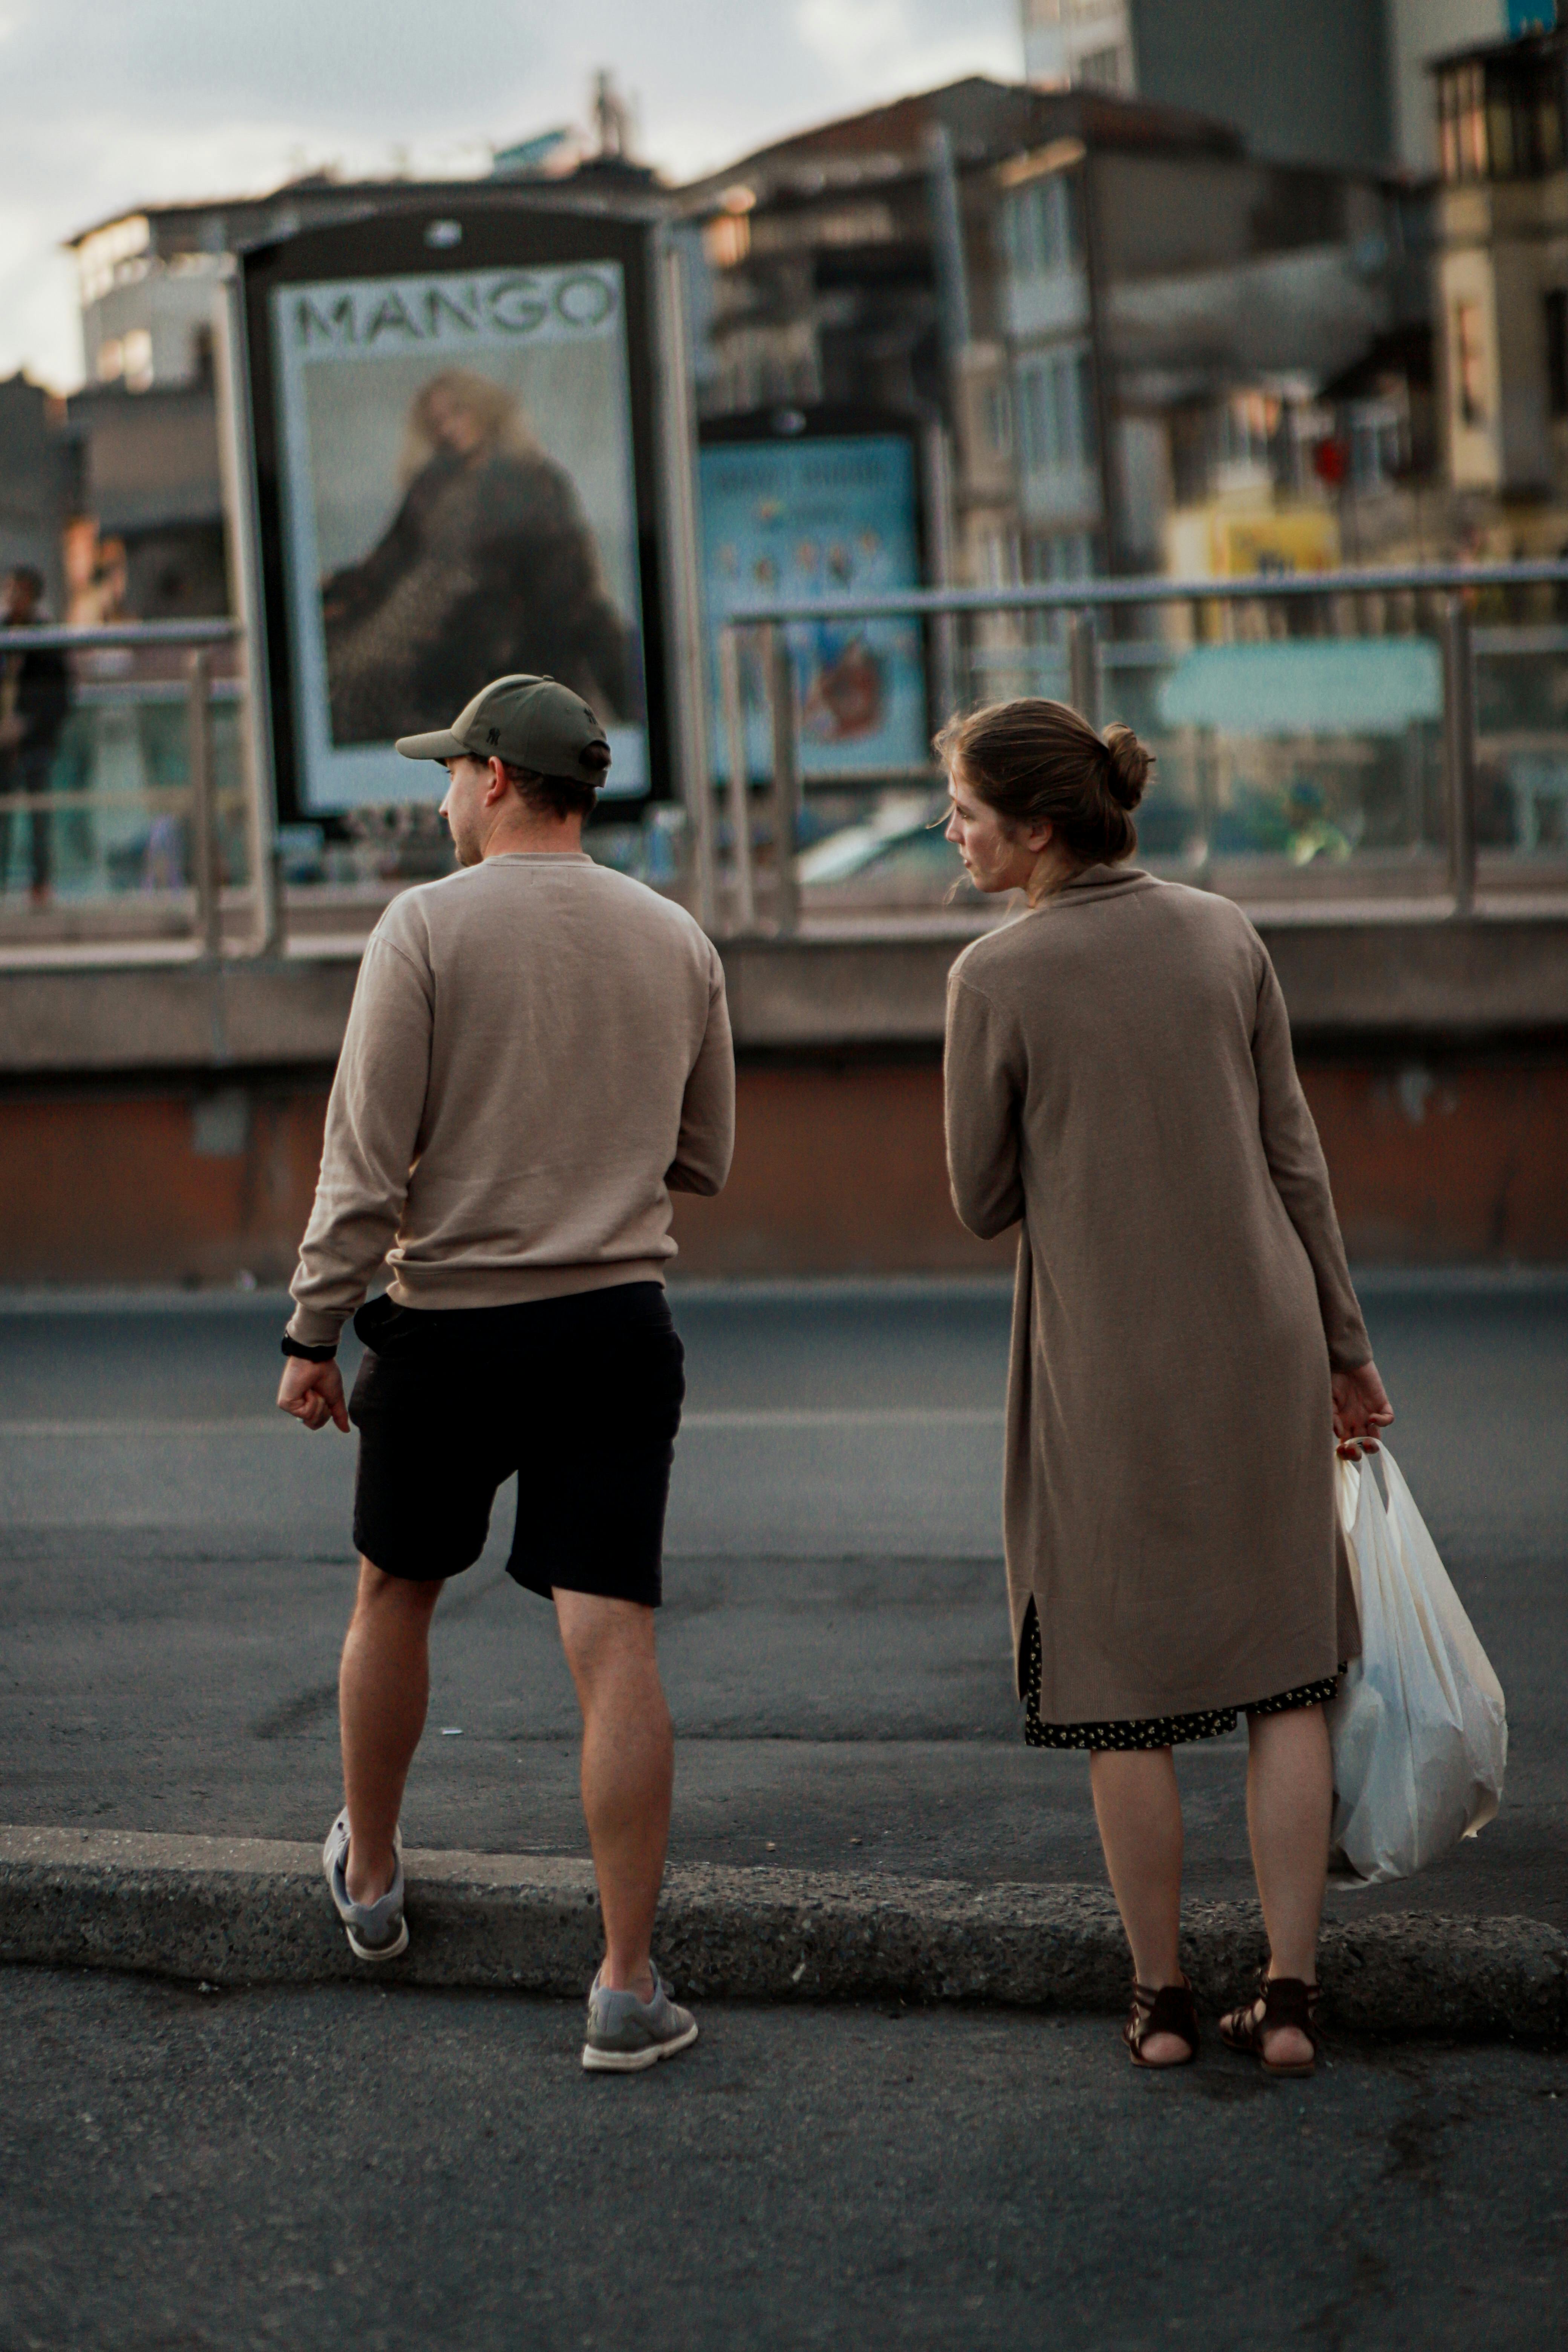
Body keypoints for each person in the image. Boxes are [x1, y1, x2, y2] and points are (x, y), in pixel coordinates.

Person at [276, 672, 733, 2073]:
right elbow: (703, 1153)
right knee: (614, 1643)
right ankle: (625, 1983)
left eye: (445, 773)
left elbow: (363, 1166)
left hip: (449, 1325)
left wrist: (313, 1331)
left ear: (489, 777)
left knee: (394, 1594)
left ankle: (371, 1881)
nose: (437, 800)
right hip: (613, 1322)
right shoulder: (676, 935)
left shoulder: (422, 927)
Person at [941, 698, 1393, 2078]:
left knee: (1116, 1685)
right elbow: (1295, 1157)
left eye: (965, 810)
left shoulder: (994, 978)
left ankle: (1162, 2002)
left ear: (1036, 829)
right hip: (1266, 1341)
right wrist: (1346, 1349)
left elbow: (980, 1198)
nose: (951, 832)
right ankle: (1292, 1998)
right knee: (1285, 1676)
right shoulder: (1223, 932)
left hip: (1104, 1364)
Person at [321, 369, 639, 747]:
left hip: (489, 641)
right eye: (436, 422)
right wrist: (333, 590)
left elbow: (566, 588)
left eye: (457, 412)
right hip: (414, 631)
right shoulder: (431, 484)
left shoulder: (533, 480)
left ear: (483, 408)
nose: (447, 428)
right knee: (341, 676)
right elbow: (387, 562)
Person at [0, 567, 70, 908]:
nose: (14, 597)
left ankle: (40, 886)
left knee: (39, 817)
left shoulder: (45, 638)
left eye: (21, 591)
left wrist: (27, 726)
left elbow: (59, 696)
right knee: (3, 819)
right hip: (2, 746)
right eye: (9, 589)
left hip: (35, 743)